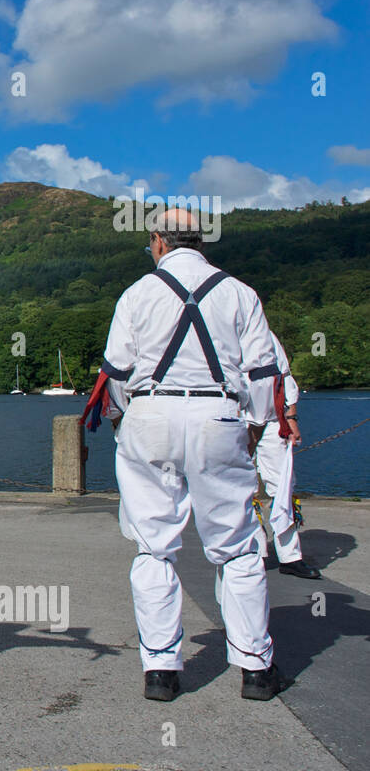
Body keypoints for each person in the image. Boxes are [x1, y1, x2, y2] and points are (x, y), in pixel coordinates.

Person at [92, 207, 283, 702]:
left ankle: (161, 671)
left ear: (158, 241)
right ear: (200, 241)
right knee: (238, 545)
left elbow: (115, 373)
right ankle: (255, 670)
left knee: (154, 545)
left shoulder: (137, 293)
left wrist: (121, 421)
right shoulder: (240, 293)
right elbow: (264, 373)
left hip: (151, 416)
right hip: (218, 416)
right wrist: (256, 428)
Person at [252, 331, 320, 580]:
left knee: (283, 487)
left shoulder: (266, 336)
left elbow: (285, 376)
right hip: (234, 417)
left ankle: (290, 557)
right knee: (243, 490)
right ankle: (254, 552)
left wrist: (291, 418)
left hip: (272, 419)